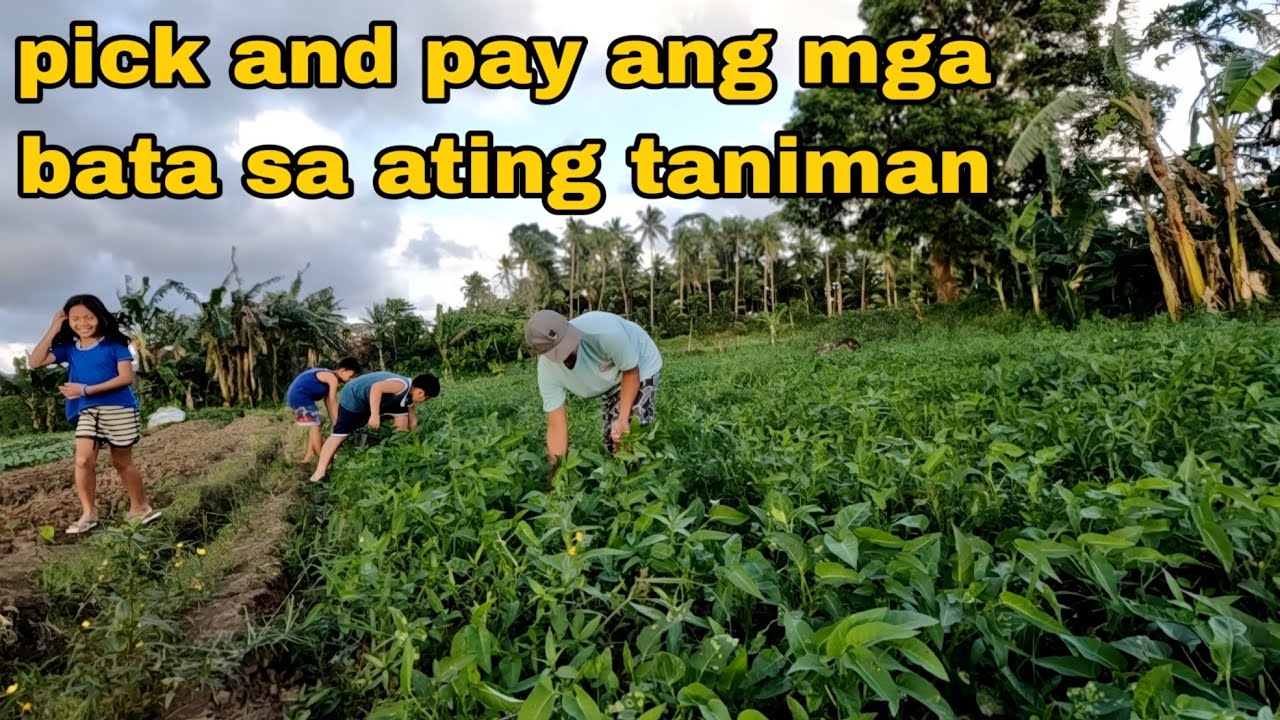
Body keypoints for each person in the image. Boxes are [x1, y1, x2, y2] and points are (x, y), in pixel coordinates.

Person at [27, 295, 161, 534]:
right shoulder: (70, 349)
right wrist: (54, 327)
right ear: (68, 321)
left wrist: (85, 390)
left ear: (99, 316)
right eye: (75, 319)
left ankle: (140, 508)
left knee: (122, 462)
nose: (83, 323)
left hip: (119, 408)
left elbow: (126, 378)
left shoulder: (114, 344)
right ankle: (89, 513)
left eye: (88, 317)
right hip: (87, 410)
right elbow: (35, 362)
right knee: (83, 460)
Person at [524, 309, 663, 472]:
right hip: (608, 382)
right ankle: (624, 473)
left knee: (630, 433)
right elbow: (556, 426)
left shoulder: (605, 332)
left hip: (639, 364)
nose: (569, 349)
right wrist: (557, 472)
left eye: (567, 340)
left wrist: (623, 419)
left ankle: (643, 476)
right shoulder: (547, 372)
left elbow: (631, 372)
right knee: (613, 444)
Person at [307, 370, 440, 482]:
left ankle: (399, 455)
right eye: (427, 398)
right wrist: (374, 415)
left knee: (402, 415)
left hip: (367, 399)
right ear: (420, 393)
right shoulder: (402, 385)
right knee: (340, 434)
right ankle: (319, 473)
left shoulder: (408, 395)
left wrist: (416, 442)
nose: (424, 401)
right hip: (353, 396)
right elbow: (376, 388)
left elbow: (413, 420)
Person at [285, 357, 362, 463]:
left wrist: (336, 423)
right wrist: (340, 423)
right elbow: (333, 400)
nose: (351, 380)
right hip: (300, 396)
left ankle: (309, 455)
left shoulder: (330, 376)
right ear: (342, 371)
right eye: (351, 376)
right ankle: (322, 459)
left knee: (319, 420)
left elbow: (328, 402)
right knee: (316, 425)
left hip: (298, 396)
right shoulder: (332, 378)